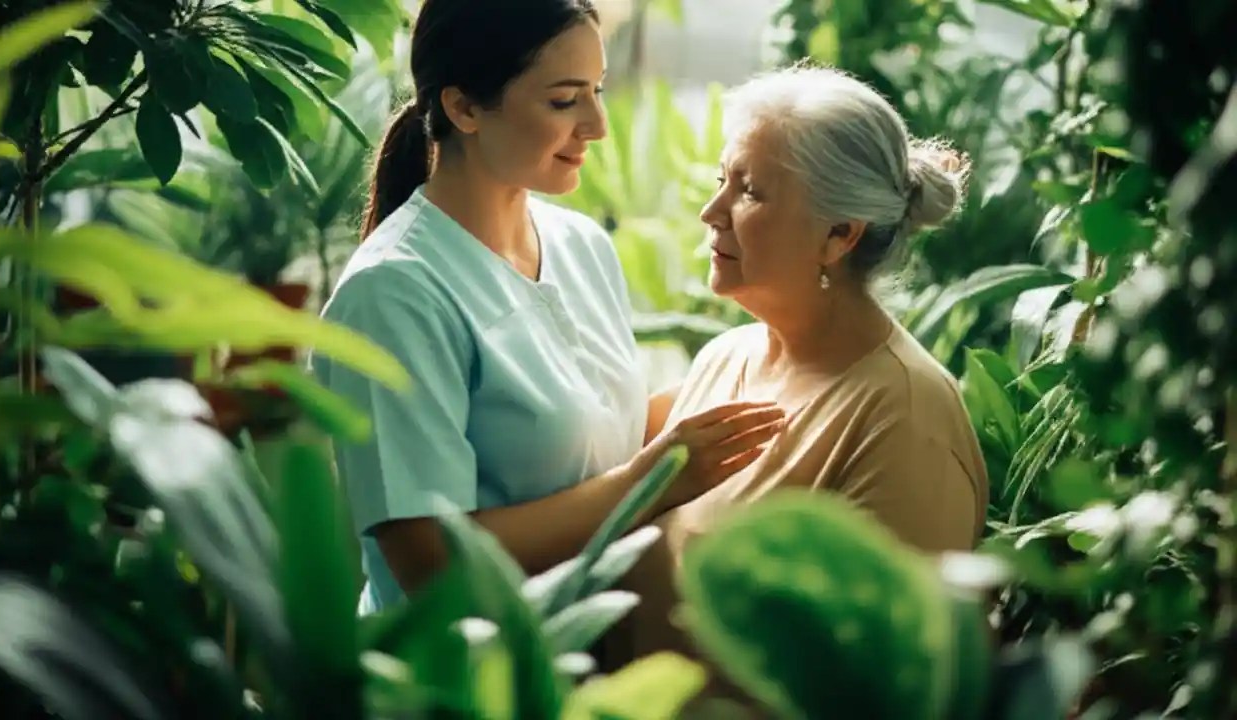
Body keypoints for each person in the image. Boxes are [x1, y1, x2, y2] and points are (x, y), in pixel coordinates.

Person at [310, 0, 785, 615]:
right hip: (453, 684)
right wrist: (654, 479)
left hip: (587, 657)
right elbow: (430, 559)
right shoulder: (395, 292)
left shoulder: (580, 244)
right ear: (464, 107)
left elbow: (585, 439)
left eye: (597, 91)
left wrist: (752, 366)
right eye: (564, 101)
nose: (596, 125)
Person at [604, 65, 990, 681]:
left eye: (750, 191)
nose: (712, 211)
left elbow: (885, 682)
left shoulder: (905, 417)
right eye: (721, 180)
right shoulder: (724, 359)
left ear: (839, 234)